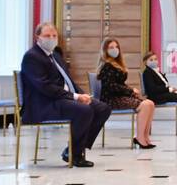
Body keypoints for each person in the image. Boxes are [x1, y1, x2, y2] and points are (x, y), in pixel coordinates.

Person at [20, 22, 111, 167]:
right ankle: (75, 154)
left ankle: (73, 149)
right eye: (47, 36)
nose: (51, 38)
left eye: (54, 36)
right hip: (43, 104)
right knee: (84, 110)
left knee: (102, 108)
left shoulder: (55, 55)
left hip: (61, 99)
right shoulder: (32, 57)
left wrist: (82, 95)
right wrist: (75, 97)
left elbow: (68, 82)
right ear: (37, 37)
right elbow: (45, 87)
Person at [97, 38, 156, 148]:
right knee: (145, 105)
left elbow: (120, 84)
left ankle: (145, 136)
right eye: (111, 47)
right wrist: (130, 91)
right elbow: (111, 86)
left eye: (116, 47)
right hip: (111, 99)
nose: (115, 49)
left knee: (150, 104)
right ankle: (139, 138)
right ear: (105, 50)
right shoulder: (107, 66)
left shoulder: (116, 64)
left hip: (119, 96)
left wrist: (131, 91)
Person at [141, 51, 177, 135]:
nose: (154, 61)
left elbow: (163, 84)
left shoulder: (156, 71)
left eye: (155, 59)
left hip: (163, 94)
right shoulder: (147, 72)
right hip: (156, 96)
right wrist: (168, 89)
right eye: (151, 60)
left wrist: (170, 89)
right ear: (145, 62)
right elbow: (153, 89)